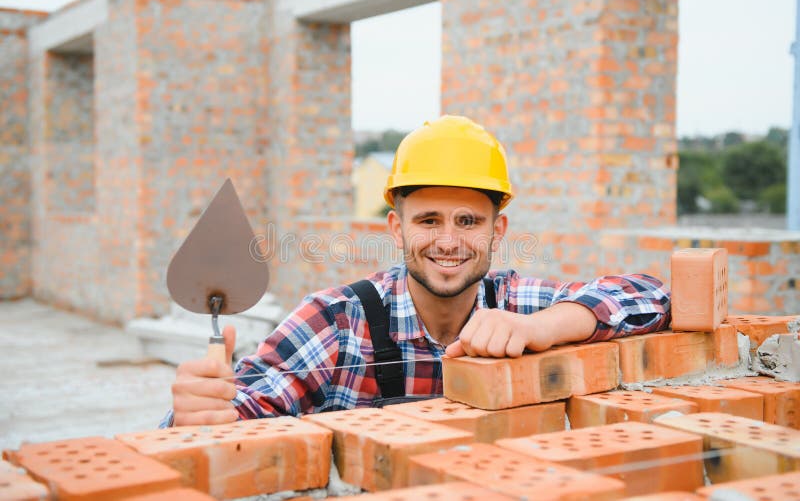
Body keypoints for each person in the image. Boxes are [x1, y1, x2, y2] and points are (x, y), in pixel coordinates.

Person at [165, 115, 670, 427]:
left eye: (468, 222)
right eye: (428, 220)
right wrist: (198, 412)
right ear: (396, 228)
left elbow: (650, 296)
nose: (448, 242)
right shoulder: (337, 323)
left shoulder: (515, 303)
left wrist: (542, 328)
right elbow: (243, 408)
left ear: (498, 231)